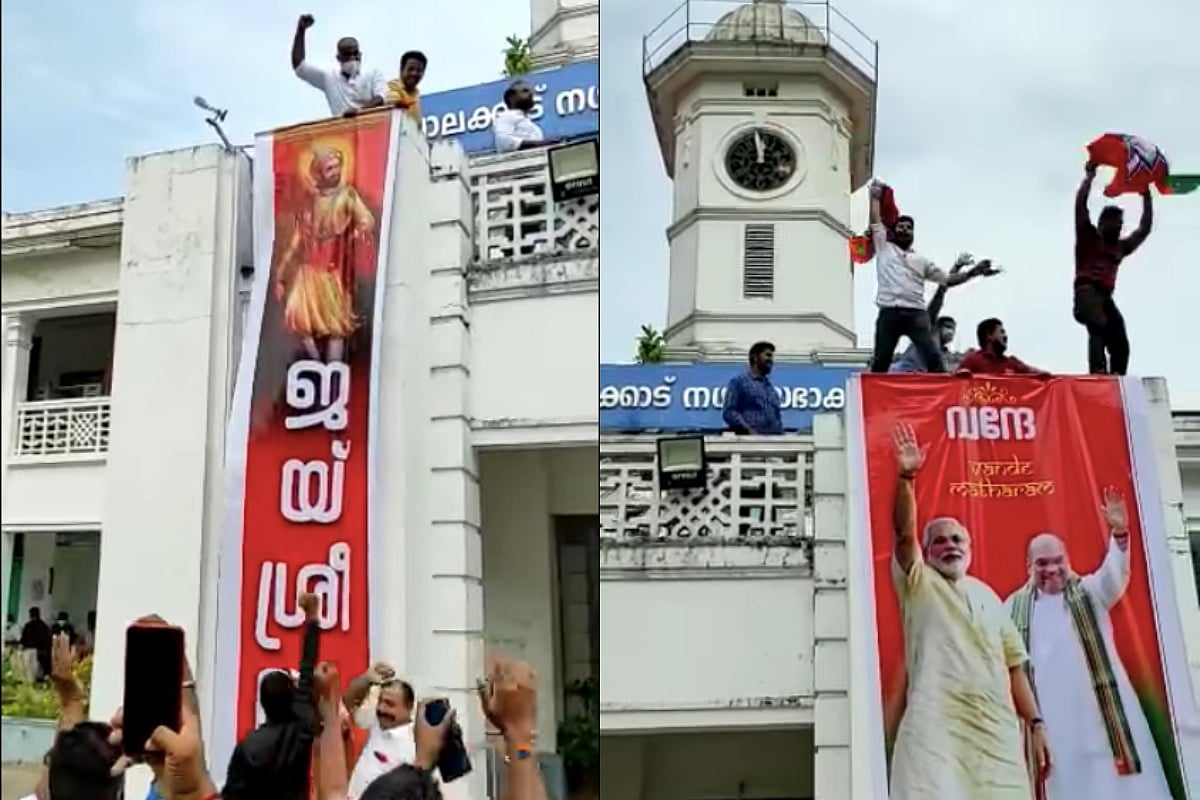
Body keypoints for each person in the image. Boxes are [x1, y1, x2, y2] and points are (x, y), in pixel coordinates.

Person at [888, 423, 1048, 799]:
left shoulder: (989, 597)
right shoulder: (919, 582)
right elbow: (904, 534)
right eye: (939, 541)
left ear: (969, 547)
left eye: (956, 539)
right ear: (927, 553)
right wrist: (907, 477)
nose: (949, 546)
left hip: (996, 735)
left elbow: (1014, 667)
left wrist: (1037, 723)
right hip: (935, 731)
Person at [1005, 488, 1173, 800]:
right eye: (1042, 564)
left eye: (1058, 561)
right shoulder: (1012, 608)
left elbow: (1115, 575)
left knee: (1111, 783)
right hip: (1051, 718)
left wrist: (1120, 534)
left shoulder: (1090, 593)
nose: (1052, 570)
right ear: (1028, 565)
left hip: (1098, 712)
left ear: (1067, 560)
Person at [867, 180, 1000, 373]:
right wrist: (874, 198)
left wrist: (973, 273)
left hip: (915, 313)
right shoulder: (884, 249)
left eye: (908, 228)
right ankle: (874, 396)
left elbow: (946, 281)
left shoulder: (921, 261)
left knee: (934, 359)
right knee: (881, 362)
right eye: (901, 227)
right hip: (889, 312)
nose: (904, 230)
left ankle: (944, 390)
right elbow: (875, 222)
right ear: (894, 232)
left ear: (913, 234)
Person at [274, 145, 376, 363]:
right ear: (319, 173)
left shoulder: (347, 195)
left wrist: (358, 231)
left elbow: (366, 219)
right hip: (308, 274)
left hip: (333, 271)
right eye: (330, 169)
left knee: (336, 326)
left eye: (337, 167)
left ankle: (333, 370)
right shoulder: (310, 202)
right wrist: (282, 275)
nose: (335, 172)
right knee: (297, 319)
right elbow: (296, 243)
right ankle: (318, 364)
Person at [223, 592, 323, 800]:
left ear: (262, 702)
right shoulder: (303, 726)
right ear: (292, 696)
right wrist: (312, 618)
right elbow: (307, 667)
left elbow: (232, 794)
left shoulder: (248, 747)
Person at [1073, 161, 1153, 375]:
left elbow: (1144, 229)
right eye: (1116, 222)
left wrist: (1146, 195)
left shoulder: (1120, 248)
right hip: (1086, 291)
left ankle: (1118, 377)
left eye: (1121, 223)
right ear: (1103, 223)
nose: (1119, 227)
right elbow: (1080, 205)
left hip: (1105, 296)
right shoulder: (1088, 237)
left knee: (1119, 339)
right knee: (1097, 326)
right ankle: (1098, 372)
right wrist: (1089, 177)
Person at [343, 664, 418, 797]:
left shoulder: (415, 744)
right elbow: (347, 703)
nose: (382, 709)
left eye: (390, 704)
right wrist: (366, 679)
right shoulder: (376, 721)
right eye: (380, 701)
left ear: (409, 707)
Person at [291, 14, 387, 118]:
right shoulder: (329, 77)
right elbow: (299, 66)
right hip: (342, 131)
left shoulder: (373, 73)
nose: (352, 57)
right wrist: (301, 30)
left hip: (371, 126)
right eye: (347, 54)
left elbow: (381, 98)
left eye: (355, 54)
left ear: (360, 55)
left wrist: (359, 111)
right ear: (338, 58)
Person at [890, 268, 961, 372]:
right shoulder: (929, 332)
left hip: (920, 376)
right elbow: (935, 306)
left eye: (953, 329)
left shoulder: (944, 353)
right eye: (948, 327)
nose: (950, 332)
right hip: (904, 371)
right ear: (938, 327)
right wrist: (944, 286)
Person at [721, 341, 783, 435]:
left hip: (773, 443)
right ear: (755, 357)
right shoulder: (739, 382)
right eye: (767, 355)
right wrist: (748, 430)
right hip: (749, 444)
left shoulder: (770, 389)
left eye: (772, 356)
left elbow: (777, 417)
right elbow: (730, 412)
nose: (771, 360)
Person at [957, 318, 1049, 376]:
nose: (1005, 336)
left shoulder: (1012, 363)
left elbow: (1038, 375)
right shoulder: (972, 361)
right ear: (989, 335)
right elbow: (955, 384)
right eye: (1001, 332)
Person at [494, 81, 556, 153]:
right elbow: (502, 142)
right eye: (525, 91)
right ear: (511, 97)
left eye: (531, 92)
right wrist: (537, 144)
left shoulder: (535, 128)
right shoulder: (506, 117)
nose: (531, 94)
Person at [385, 51, 427, 121]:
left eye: (419, 70)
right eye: (411, 69)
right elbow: (392, 105)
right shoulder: (392, 87)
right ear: (401, 70)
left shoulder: (416, 96)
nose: (414, 73)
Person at [21, 606, 52, 681]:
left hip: (30, 651)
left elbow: (23, 639)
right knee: (37, 670)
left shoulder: (27, 626)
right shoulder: (44, 626)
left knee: (29, 669)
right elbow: (47, 640)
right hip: (40, 651)